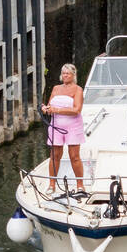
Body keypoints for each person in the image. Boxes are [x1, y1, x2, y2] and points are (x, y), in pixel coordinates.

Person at [42, 63, 86, 196]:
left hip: (73, 125)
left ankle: (80, 185)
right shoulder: (55, 88)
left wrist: (58, 110)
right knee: (54, 156)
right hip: (56, 125)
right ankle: (52, 184)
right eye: (64, 73)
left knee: (74, 156)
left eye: (68, 73)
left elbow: (77, 110)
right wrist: (46, 109)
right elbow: (50, 106)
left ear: (73, 75)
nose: (65, 75)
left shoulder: (78, 90)